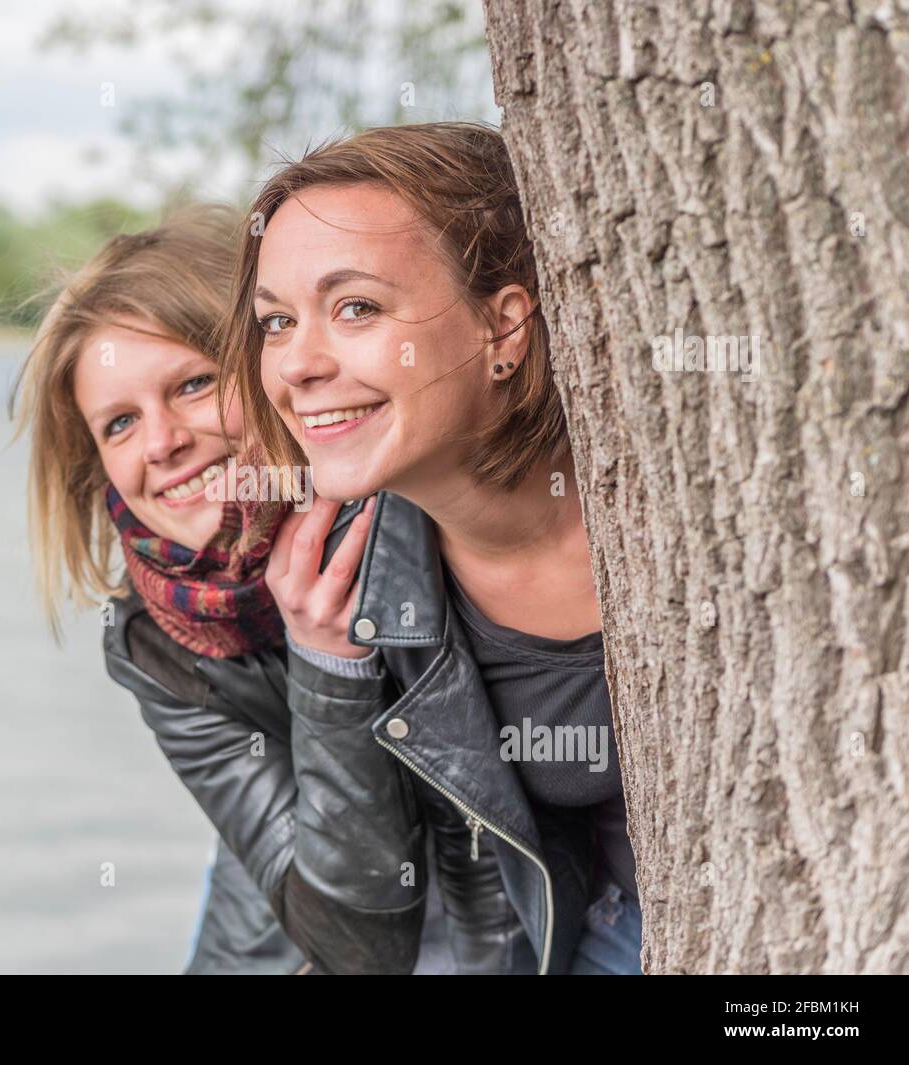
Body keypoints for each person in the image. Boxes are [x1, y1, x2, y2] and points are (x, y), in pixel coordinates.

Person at [218, 121, 643, 974]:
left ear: (505, 328)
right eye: (275, 322)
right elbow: (361, 932)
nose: (297, 364)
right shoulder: (347, 582)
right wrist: (327, 668)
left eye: (357, 308)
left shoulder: (668, 500)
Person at [10, 205, 425, 974]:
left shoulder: (405, 513)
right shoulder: (155, 640)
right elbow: (356, 943)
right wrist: (325, 660)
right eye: (121, 424)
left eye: (195, 383)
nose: (163, 442)